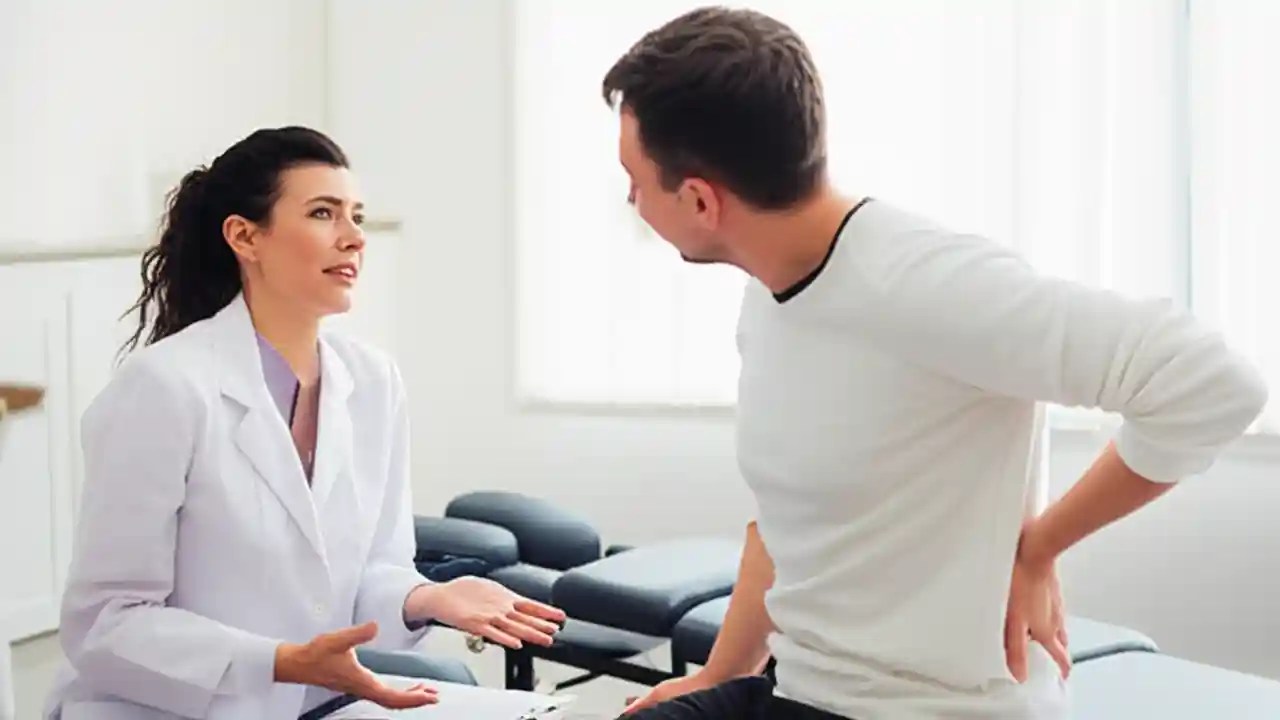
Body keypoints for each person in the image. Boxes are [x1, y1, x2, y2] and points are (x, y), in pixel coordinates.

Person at [606, 8, 1268, 720]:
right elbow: (784, 523)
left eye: (635, 180)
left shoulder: (930, 286)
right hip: (802, 691)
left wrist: (1039, 548)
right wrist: (715, 677)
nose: (631, 200)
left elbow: (1212, 384)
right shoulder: (770, 298)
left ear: (701, 200)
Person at [43, 127, 566, 720]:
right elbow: (105, 625)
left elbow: (375, 571)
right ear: (245, 236)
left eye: (358, 216)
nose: (354, 238)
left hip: (312, 704)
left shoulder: (373, 382)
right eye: (324, 213)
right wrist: (279, 661)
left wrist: (428, 597)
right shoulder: (164, 389)